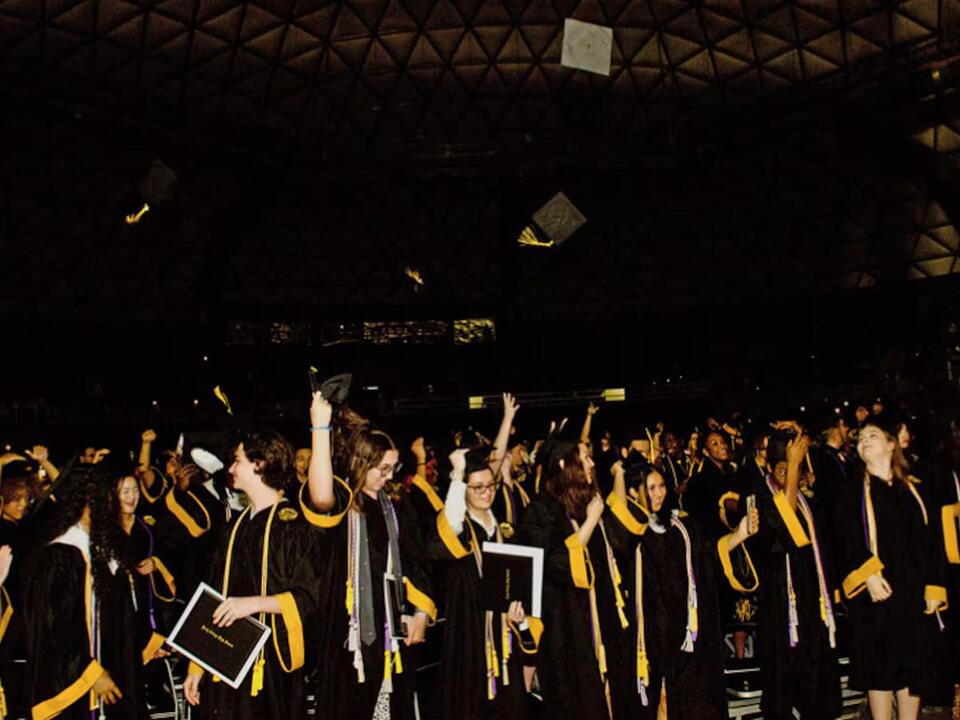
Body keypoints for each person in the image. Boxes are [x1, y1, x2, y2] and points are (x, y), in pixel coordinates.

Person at [302, 391, 436, 720]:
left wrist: (420, 611)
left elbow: (417, 562)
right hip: (348, 636)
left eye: (394, 467)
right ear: (361, 464)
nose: (390, 476)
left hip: (392, 631)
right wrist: (319, 428)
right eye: (383, 468)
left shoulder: (397, 506)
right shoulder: (342, 503)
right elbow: (319, 498)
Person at [182, 431, 318, 720]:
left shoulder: (292, 525)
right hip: (226, 659)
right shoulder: (233, 528)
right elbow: (213, 593)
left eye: (237, 461)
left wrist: (253, 604)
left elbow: (308, 596)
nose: (230, 469)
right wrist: (196, 666)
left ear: (259, 464)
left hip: (270, 666)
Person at [608, 463, 758, 720]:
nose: (659, 494)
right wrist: (618, 477)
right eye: (651, 488)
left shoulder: (683, 527)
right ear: (634, 492)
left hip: (688, 639)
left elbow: (709, 557)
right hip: (652, 638)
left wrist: (741, 533)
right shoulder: (631, 538)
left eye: (662, 486)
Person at [837, 420, 948, 720]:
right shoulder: (852, 491)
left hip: (912, 592)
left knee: (912, 666)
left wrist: (935, 587)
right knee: (880, 667)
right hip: (877, 592)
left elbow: (934, 542)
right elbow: (845, 537)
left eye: (872, 435)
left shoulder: (916, 490)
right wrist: (868, 573)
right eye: (860, 439)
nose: (864, 441)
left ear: (891, 444)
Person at [516, 437, 632, 720]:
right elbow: (556, 563)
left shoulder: (585, 504)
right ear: (563, 464)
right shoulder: (539, 511)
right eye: (585, 457)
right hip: (563, 627)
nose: (592, 463)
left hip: (599, 622)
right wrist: (591, 521)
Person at [430, 447, 537, 720]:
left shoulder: (506, 533)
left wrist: (521, 619)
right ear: (465, 491)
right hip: (469, 639)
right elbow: (449, 524)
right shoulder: (461, 532)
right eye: (477, 487)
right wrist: (457, 474)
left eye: (490, 485)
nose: (486, 492)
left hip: (505, 641)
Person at [23, 463, 135, 720]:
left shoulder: (100, 551)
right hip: (77, 688)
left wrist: (148, 642)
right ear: (87, 502)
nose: (112, 506)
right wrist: (91, 673)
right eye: (106, 499)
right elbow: (52, 627)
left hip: (106, 682)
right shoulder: (60, 556)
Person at [754, 432, 841, 719]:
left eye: (793, 469)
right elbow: (784, 528)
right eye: (781, 470)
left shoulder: (808, 503)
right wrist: (792, 469)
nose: (788, 475)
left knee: (815, 684)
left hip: (809, 604)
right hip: (780, 609)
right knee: (781, 686)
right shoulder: (759, 500)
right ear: (770, 469)